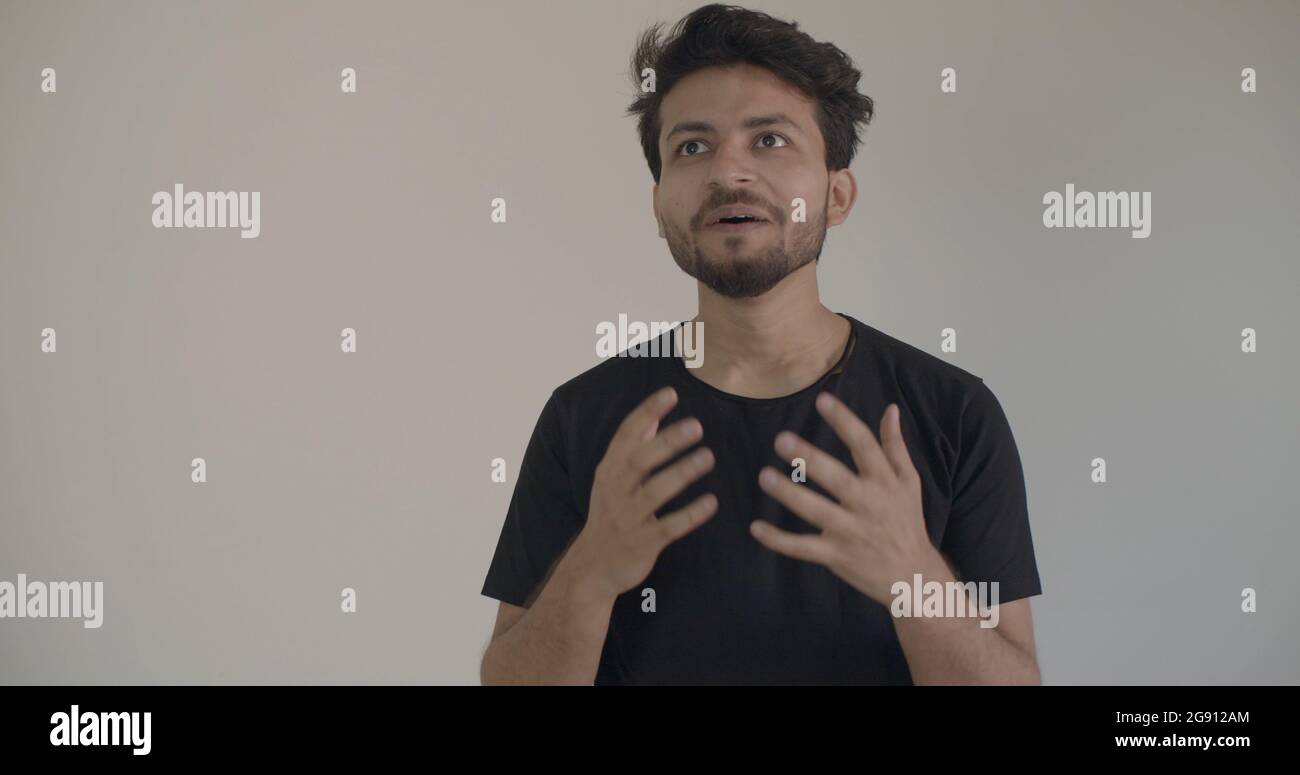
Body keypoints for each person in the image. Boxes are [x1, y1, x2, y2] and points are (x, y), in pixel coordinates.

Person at [479, 3, 1042, 685]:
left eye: (770, 140)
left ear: (837, 195)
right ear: (660, 207)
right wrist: (593, 568)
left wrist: (912, 575)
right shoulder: (585, 417)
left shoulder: (953, 413)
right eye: (693, 146)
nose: (729, 173)